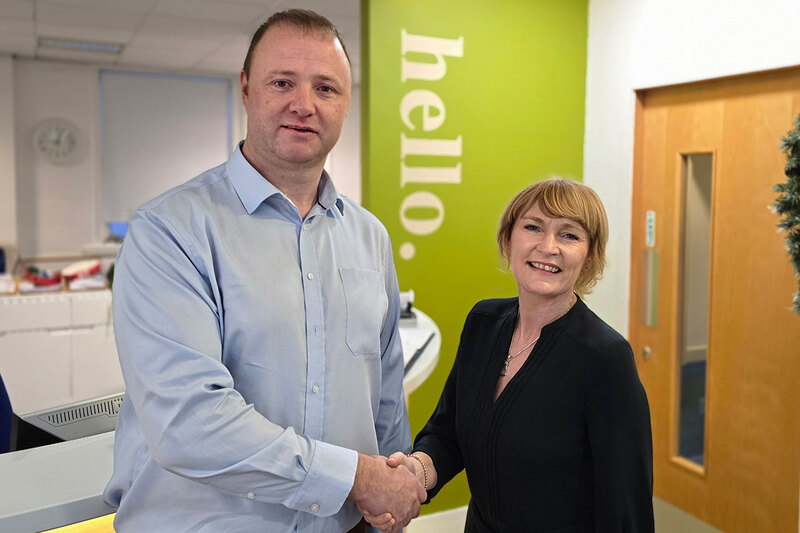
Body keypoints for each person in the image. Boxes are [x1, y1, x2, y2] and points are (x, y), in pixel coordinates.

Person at [103, 9, 424, 533]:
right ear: (247, 90)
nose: (304, 104)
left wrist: (390, 493)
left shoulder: (370, 237)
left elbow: (385, 395)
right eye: (282, 83)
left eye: (326, 88)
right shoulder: (170, 231)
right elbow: (189, 424)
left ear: (346, 105)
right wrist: (356, 479)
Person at [365, 178, 655, 532]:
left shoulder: (605, 357)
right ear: (508, 238)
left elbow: (626, 508)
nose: (548, 247)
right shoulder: (483, 323)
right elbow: (448, 433)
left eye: (569, 235)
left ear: (590, 255)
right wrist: (417, 471)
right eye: (533, 227)